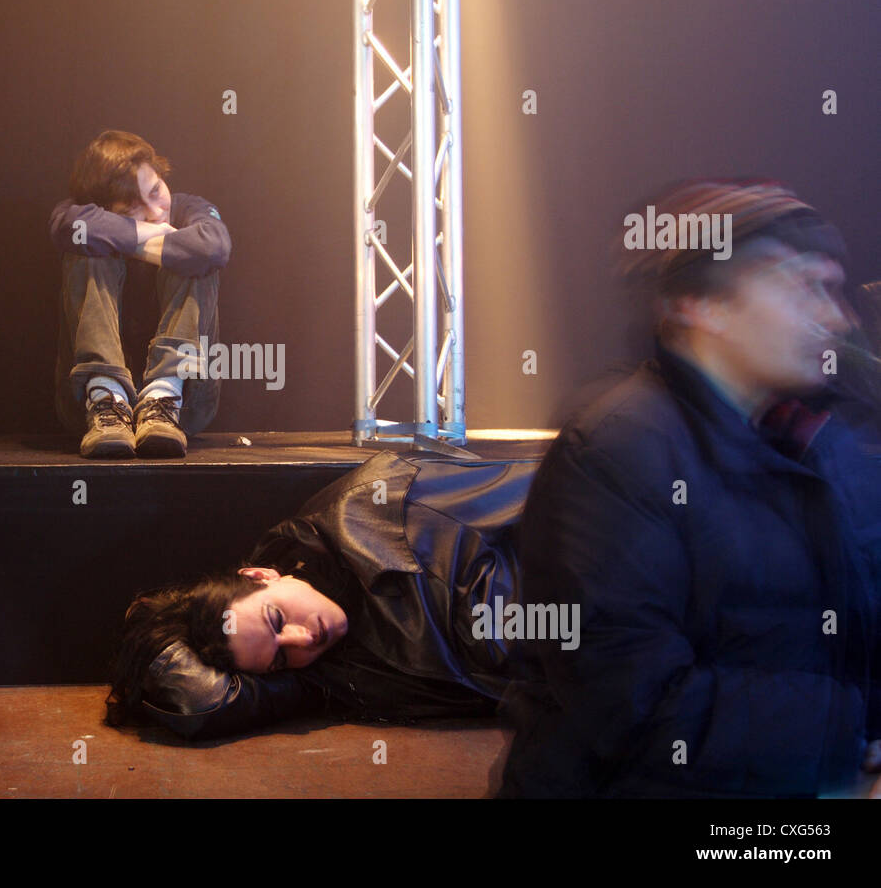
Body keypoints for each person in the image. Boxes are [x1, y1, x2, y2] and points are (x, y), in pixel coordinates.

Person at [498, 179, 881, 798]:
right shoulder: (615, 452)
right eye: (804, 286)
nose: (836, 318)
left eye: (834, 291)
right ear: (706, 305)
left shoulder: (814, 442)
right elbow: (637, 706)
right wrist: (850, 741)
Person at [104, 449, 538, 740]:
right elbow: (204, 699)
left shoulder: (382, 514)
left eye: (276, 620)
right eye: (278, 658)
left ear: (260, 575)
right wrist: (158, 639)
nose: (301, 640)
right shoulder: (318, 672)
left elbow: (566, 511)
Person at [49, 130, 230, 459]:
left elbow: (214, 246)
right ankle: (106, 394)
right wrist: (160, 240)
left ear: (162, 174)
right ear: (102, 208)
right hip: (89, 410)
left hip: (186, 403)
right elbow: (65, 225)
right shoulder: (78, 215)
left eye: (156, 190)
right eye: (133, 209)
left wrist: (141, 239)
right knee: (85, 250)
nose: (156, 212)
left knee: (196, 258)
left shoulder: (191, 209)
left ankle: (163, 396)